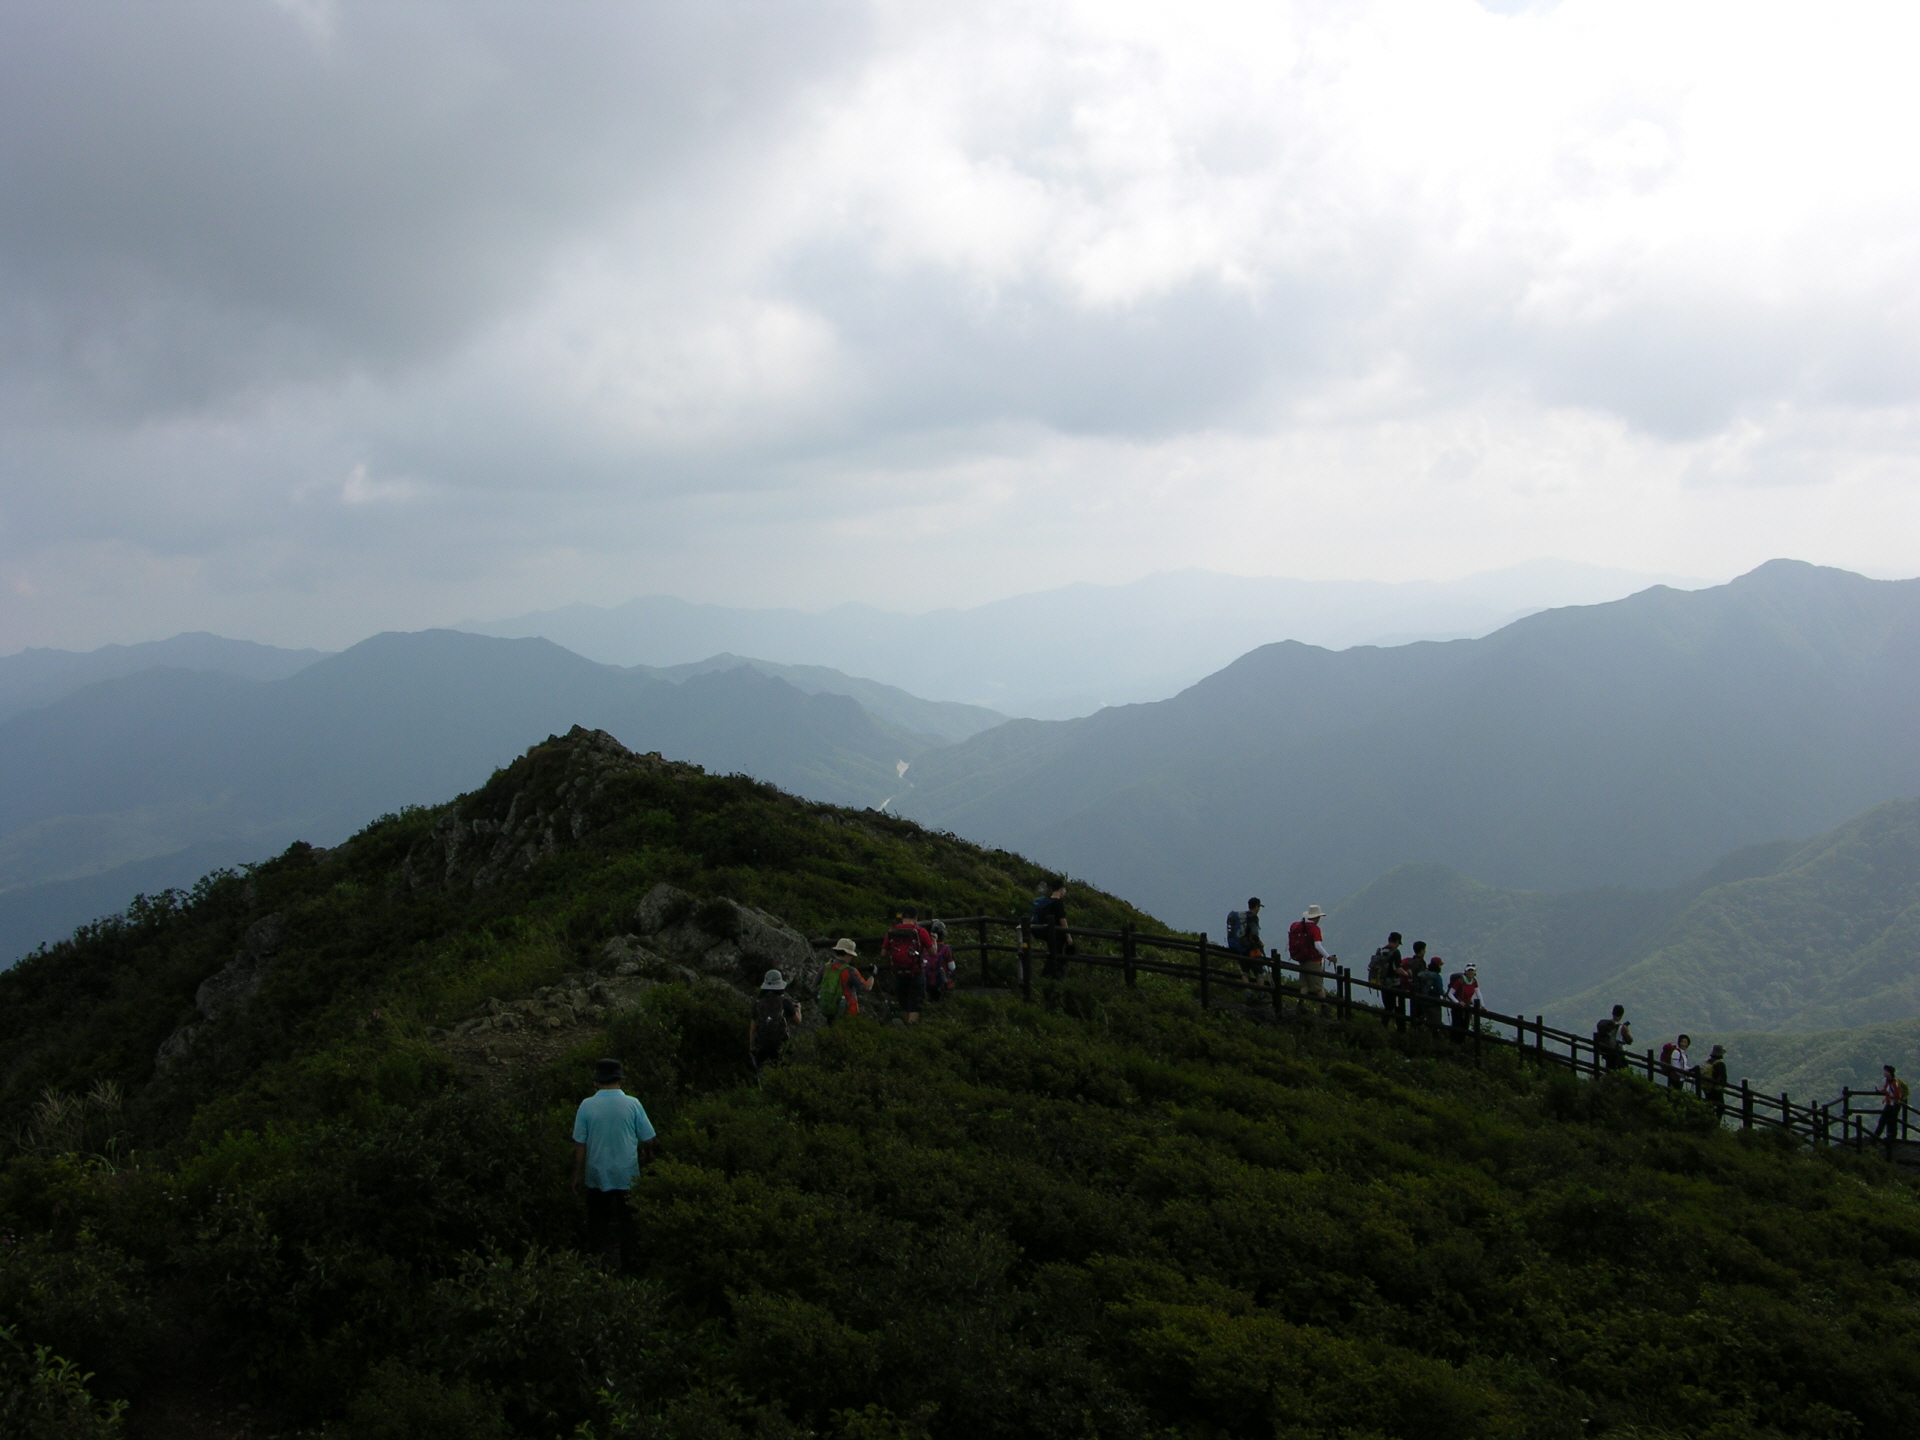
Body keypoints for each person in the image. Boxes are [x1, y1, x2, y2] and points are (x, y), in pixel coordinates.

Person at [571, 1058, 657, 1274]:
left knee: (598, 1224)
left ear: (597, 1081)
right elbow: (648, 1139)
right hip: (628, 1175)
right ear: (619, 1080)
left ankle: (599, 1270)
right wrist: (648, 1156)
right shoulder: (633, 1104)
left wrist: (576, 1174)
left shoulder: (587, 1105)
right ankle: (630, 1270)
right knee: (629, 1225)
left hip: (597, 1175)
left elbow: (579, 1144)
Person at [883, 909, 932, 1022]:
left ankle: (904, 1029)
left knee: (903, 1002)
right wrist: (933, 941)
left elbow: (883, 953)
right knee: (915, 1004)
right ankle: (912, 1030)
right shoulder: (920, 932)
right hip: (916, 972)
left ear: (902, 918)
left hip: (898, 972)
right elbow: (932, 952)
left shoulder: (891, 932)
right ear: (916, 918)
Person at [749, 969, 801, 1073]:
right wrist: (798, 1009)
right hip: (781, 1045)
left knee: (762, 1073)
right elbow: (798, 1021)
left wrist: (752, 1048)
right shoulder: (785, 1002)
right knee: (782, 1072)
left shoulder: (758, 1004)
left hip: (762, 1046)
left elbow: (752, 1029)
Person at [818, 938, 873, 1022]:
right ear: (848, 954)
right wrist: (873, 974)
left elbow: (814, 984)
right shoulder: (850, 970)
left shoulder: (825, 967)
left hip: (830, 1010)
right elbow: (867, 987)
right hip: (848, 1012)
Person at [1288, 905, 1334, 1001]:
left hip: (1302, 958)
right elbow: (1317, 945)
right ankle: (1324, 1006)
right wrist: (1328, 957)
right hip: (1313, 960)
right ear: (1317, 917)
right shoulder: (1314, 929)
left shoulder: (1301, 926)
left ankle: (1300, 1004)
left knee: (1305, 985)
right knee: (1319, 986)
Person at [1032, 879, 1072, 981]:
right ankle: (1050, 978)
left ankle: (1046, 978)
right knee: (1058, 956)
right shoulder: (1058, 903)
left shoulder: (1045, 902)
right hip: (1056, 935)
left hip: (1045, 933)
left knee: (1052, 955)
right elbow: (1062, 920)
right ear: (1061, 889)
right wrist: (1068, 936)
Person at [1369, 932, 1405, 1029]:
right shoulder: (1395, 952)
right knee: (1398, 1008)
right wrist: (1408, 974)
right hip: (1394, 984)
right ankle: (1401, 1030)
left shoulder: (1381, 951)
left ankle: (1383, 1026)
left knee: (1388, 1006)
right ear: (1397, 941)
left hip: (1382, 982)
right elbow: (1398, 969)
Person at [1871, 1065, 1909, 1156]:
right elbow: (1886, 1090)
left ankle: (1877, 1138)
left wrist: (1887, 1098)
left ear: (1890, 1073)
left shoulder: (1893, 1083)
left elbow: (1898, 1095)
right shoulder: (1888, 1082)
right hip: (1890, 1105)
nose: (1884, 1073)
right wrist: (1880, 1091)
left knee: (1886, 1121)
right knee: (1887, 1121)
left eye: (1886, 1071)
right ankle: (1885, 1138)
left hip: (1892, 1105)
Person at [1230, 898, 1267, 985]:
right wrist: (1260, 943)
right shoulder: (1253, 917)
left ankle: (1248, 994)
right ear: (1257, 907)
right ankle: (1261, 993)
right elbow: (1254, 935)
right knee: (1259, 972)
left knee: (1245, 972)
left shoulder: (1244, 916)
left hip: (1241, 948)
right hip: (1251, 949)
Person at [1446, 964, 1479, 1044]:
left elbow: (1479, 993)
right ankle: (1455, 1044)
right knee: (1457, 1025)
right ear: (1465, 972)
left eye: (1472, 971)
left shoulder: (1474, 982)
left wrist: (1483, 1006)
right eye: (1469, 970)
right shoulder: (1459, 981)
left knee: (1465, 1026)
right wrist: (1458, 1002)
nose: (1470, 972)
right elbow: (1450, 994)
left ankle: (1460, 1044)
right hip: (1457, 1007)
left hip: (1467, 1007)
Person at [924, 919, 956, 1003]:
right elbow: (952, 967)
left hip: (927, 982)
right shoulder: (946, 949)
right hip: (942, 982)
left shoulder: (926, 948)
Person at [1594, 1004, 1632, 1073]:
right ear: (1621, 1015)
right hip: (1618, 1054)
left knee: (1610, 1071)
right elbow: (1630, 1041)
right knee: (1622, 1073)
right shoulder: (1621, 1027)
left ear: (1612, 1013)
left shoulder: (1607, 1025)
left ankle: (1608, 1082)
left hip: (1608, 1053)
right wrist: (1627, 1031)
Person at [1701, 1044, 1730, 1119]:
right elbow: (1723, 1079)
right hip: (1716, 1090)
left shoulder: (1708, 1062)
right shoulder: (1720, 1064)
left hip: (1707, 1088)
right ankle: (1716, 1124)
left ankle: (1708, 1121)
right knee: (1720, 1107)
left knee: (1709, 1106)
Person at [1417, 953, 1445, 1028]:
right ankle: (1435, 1037)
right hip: (1433, 1002)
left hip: (1422, 1001)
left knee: (1426, 1020)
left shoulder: (1423, 974)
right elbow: (1439, 990)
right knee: (1436, 1023)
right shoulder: (1437, 977)